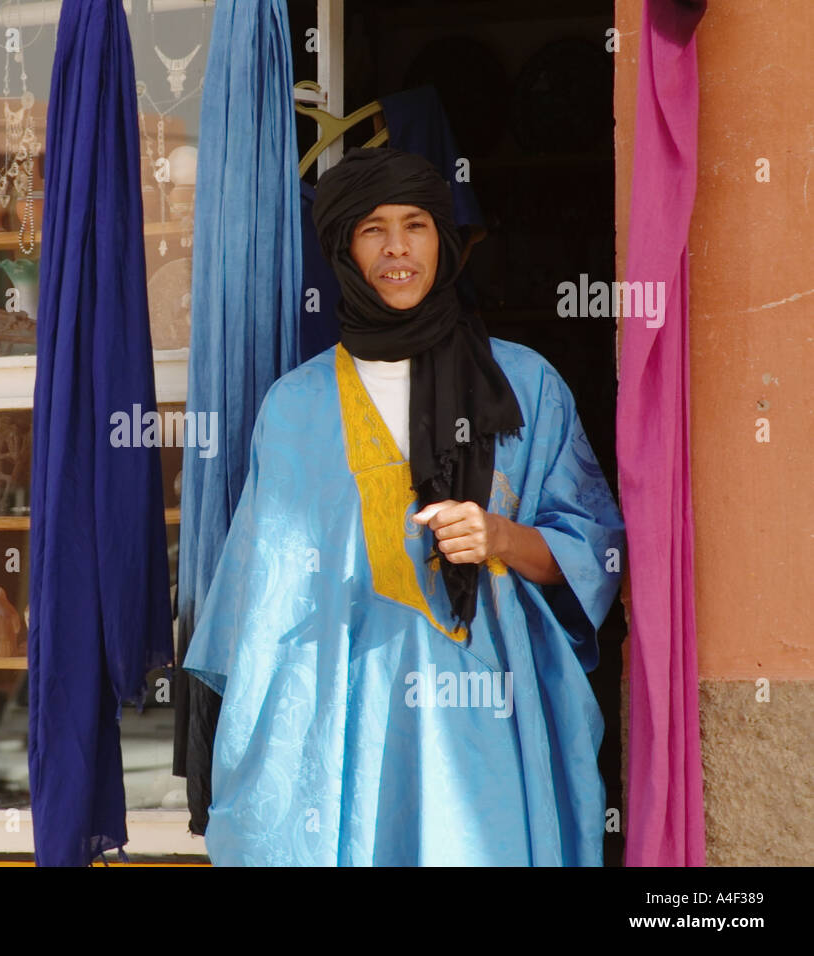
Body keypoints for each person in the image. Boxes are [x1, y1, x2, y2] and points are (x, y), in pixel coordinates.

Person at [182, 147, 625, 866]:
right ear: (342, 250)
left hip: (487, 728)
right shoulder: (294, 406)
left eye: (415, 224)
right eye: (371, 229)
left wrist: (502, 538)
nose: (396, 248)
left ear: (443, 240)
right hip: (343, 731)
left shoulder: (523, 383)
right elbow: (254, 618)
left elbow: (595, 555)